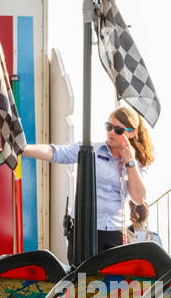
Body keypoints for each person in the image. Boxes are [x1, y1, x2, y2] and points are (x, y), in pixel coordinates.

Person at [22, 105, 152, 254]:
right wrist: (22, 149)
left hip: (117, 232)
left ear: (132, 133)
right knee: (83, 277)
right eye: (108, 127)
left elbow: (138, 198)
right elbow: (56, 152)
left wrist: (129, 162)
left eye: (118, 130)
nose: (111, 132)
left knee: (115, 277)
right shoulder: (92, 150)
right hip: (85, 229)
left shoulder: (138, 163)